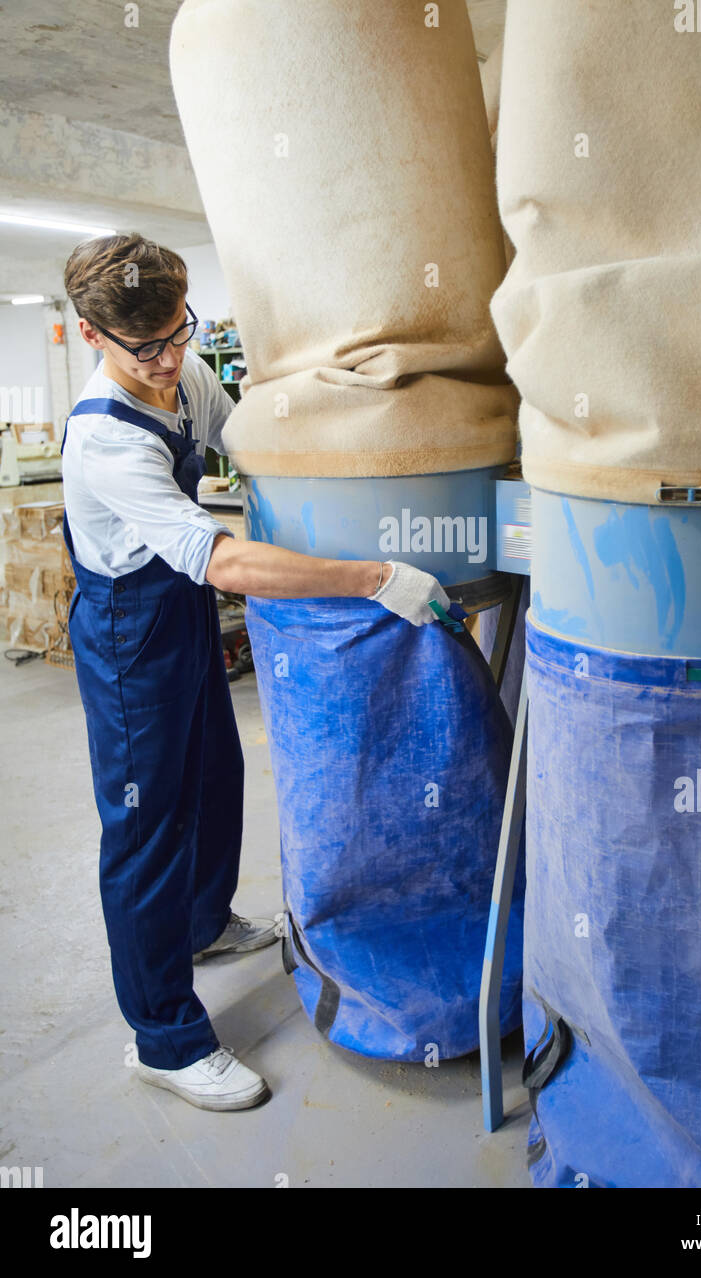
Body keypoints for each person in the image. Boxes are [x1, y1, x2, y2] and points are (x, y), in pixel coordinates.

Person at [61, 233, 450, 1112]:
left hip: (180, 610)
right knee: (145, 829)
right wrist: (371, 579)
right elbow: (224, 561)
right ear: (91, 335)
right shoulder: (101, 441)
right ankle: (162, 1038)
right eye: (146, 348)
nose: (169, 361)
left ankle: (202, 924)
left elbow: (256, 437)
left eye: (177, 333)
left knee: (214, 778)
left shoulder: (185, 375)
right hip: (129, 633)